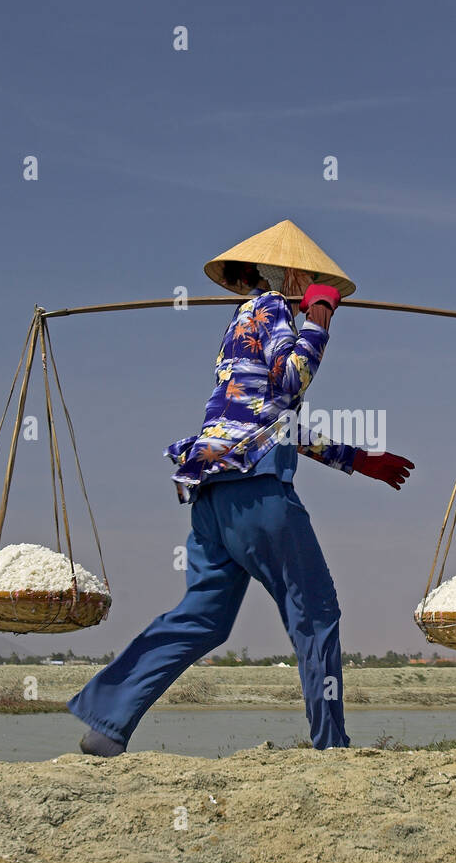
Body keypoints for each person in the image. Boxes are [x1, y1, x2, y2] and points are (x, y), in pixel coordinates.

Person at [68, 221, 414, 755]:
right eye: (309, 281)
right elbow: (291, 379)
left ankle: (107, 724)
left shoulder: (239, 324)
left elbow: (266, 416)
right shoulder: (272, 307)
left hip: (212, 496)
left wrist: (358, 460)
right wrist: (320, 317)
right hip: (257, 493)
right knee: (316, 610)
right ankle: (331, 746)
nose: (309, 293)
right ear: (289, 274)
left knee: (202, 617)